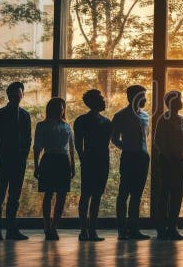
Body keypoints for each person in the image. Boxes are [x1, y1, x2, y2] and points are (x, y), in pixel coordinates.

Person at [0, 81, 32, 241]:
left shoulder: (26, 115)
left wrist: (24, 155)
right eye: (14, 94)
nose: (17, 96)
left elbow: (28, 138)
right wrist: (0, 155)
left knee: (14, 197)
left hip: (19, 160)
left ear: (22, 95)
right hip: (5, 159)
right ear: (9, 95)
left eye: (19, 93)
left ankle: (11, 230)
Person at [111, 85, 151, 240]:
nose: (145, 99)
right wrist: (127, 148)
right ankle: (122, 230)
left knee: (137, 195)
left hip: (143, 158)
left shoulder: (146, 116)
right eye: (142, 95)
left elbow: (145, 136)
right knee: (124, 194)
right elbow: (114, 138)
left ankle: (134, 229)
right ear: (131, 97)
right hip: (129, 157)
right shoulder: (120, 115)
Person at [33, 97, 75, 241]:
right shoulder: (42, 125)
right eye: (57, 106)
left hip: (63, 161)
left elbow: (71, 148)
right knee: (48, 194)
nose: (60, 109)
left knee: (62, 195)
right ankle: (46, 226)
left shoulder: (67, 126)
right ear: (50, 108)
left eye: (62, 107)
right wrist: (36, 165)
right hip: (49, 159)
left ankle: (54, 226)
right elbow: (37, 147)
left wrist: (73, 165)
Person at [73, 89, 112, 242]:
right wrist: (83, 158)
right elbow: (78, 143)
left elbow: (79, 143)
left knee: (95, 196)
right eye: (101, 99)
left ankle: (90, 231)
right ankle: (86, 231)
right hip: (93, 161)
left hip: (99, 161)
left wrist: (83, 158)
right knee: (88, 195)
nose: (104, 101)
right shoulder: (86, 121)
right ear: (94, 102)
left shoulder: (85, 120)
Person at [153, 91, 183, 241]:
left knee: (177, 195)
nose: (181, 102)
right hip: (168, 161)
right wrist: (169, 156)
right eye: (179, 99)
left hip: (180, 161)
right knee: (165, 194)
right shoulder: (164, 118)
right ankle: (162, 228)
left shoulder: (182, 119)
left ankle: (172, 226)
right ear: (172, 102)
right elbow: (158, 140)